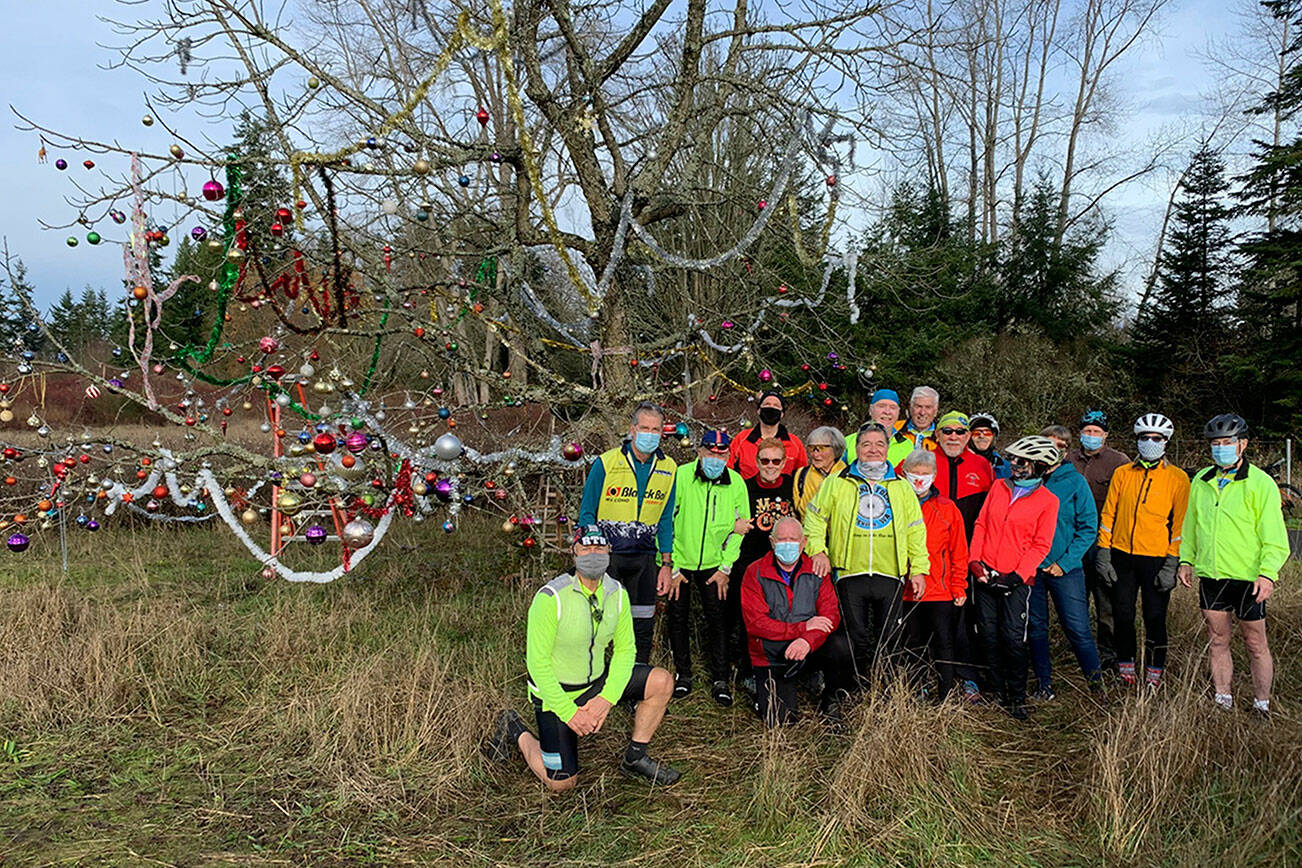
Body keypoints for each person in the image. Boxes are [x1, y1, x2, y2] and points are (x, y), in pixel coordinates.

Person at [486, 526, 681, 789]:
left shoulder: (617, 594)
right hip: (556, 693)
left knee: (662, 681)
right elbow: (537, 664)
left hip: (596, 683)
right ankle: (515, 729)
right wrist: (570, 713)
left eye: (599, 548)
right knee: (562, 785)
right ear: (574, 553)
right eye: (586, 549)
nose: (593, 554)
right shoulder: (550, 597)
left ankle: (635, 758)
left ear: (609, 552)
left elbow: (625, 651)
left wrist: (606, 699)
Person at [1178, 414, 1289, 716]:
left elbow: (1275, 535)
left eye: (1227, 442)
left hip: (1248, 578)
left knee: (1255, 642)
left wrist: (1268, 573)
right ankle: (1222, 698)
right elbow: (1191, 525)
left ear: (1243, 444)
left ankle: (1262, 703)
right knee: (1217, 639)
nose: (1221, 448)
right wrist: (1186, 558)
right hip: (1212, 575)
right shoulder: (1201, 480)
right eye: (1215, 443)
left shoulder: (1261, 483)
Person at [803, 422, 929, 684]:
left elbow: (916, 530)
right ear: (856, 449)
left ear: (887, 449)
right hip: (849, 572)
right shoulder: (838, 482)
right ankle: (854, 686)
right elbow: (814, 518)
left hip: (890, 572)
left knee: (889, 637)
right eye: (866, 444)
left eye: (879, 444)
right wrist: (818, 551)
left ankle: (885, 691)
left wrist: (918, 569)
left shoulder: (902, 487)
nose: (873, 449)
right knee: (855, 636)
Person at [968, 436, 1061, 720]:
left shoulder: (1048, 500)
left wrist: (1018, 576)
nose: (1015, 465)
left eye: (1022, 461)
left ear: (1040, 466)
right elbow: (982, 523)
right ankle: (996, 690)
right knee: (988, 633)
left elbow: (1041, 545)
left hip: (1017, 580)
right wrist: (974, 560)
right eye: (1013, 460)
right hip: (986, 572)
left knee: (1012, 636)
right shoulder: (999, 486)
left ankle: (1017, 696)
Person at [1096, 414, 1190, 690]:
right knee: (1122, 614)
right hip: (1122, 555)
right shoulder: (1123, 473)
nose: (1150, 442)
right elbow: (1108, 513)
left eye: (1156, 439)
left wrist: (1172, 562)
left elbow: (1180, 525)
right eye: (1144, 438)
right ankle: (1126, 665)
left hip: (1157, 558)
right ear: (1137, 440)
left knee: (1155, 617)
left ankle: (1154, 670)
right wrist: (1103, 551)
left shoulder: (1177, 478)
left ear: (1166, 443)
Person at [578, 402, 677, 663]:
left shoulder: (670, 468)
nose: (650, 434)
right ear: (632, 429)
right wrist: (592, 555)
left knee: (641, 628)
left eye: (655, 429)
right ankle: (593, 683)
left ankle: (637, 685)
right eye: (644, 427)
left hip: (645, 560)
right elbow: (587, 513)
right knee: (599, 625)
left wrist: (666, 564)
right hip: (608, 559)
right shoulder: (607, 462)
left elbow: (666, 520)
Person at [741, 516, 854, 725]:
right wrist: (801, 628)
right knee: (781, 722)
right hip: (771, 654)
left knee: (842, 645)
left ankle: (829, 698)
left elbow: (831, 615)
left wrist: (807, 640)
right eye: (781, 539)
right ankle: (761, 685)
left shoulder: (817, 570)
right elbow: (756, 623)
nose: (787, 544)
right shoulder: (754, 572)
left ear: (803, 543)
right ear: (772, 542)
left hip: (809, 647)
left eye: (793, 539)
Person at [667, 430, 751, 703]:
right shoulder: (681, 476)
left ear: (728, 455)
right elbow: (667, 520)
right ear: (700, 452)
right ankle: (683, 675)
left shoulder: (736, 483)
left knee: (718, 621)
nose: (715, 458)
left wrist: (726, 568)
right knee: (677, 617)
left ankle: (720, 678)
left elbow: (742, 528)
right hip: (681, 562)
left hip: (715, 565)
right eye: (710, 453)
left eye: (721, 454)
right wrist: (673, 566)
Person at [1028, 426, 1103, 699]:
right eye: (1047, 444)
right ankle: (1043, 686)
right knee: (1036, 628)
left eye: (1060, 445)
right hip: (1032, 569)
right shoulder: (1027, 479)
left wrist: (1066, 562)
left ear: (1065, 450)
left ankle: (1096, 686)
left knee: (1078, 627)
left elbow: (1088, 527)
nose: (1052, 449)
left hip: (1065, 569)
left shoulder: (1074, 482)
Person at [899, 450, 969, 701]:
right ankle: (918, 689)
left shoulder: (947, 508)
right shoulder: (897, 504)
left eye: (925, 474)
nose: (919, 479)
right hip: (905, 591)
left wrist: (959, 586)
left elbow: (959, 551)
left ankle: (945, 693)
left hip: (939, 590)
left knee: (943, 644)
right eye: (914, 474)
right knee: (912, 644)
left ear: (935, 476)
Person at [730, 438, 797, 700]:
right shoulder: (744, 488)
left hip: (785, 561)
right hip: (749, 562)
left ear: (784, 462)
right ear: (756, 462)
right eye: (765, 460)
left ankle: (791, 667)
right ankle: (747, 670)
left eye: (776, 461)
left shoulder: (793, 486)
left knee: (786, 615)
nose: (770, 466)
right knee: (748, 619)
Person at [1067, 409, 1130, 674]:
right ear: (1080, 433)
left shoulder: (1119, 462)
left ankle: (1109, 655)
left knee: (1106, 602)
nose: (1091, 436)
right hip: (1073, 540)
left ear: (1105, 435)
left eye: (1096, 432)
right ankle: (1078, 652)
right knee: (1075, 600)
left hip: (1104, 542)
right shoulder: (1068, 460)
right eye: (1087, 431)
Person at [930, 410, 995, 538]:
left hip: (967, 542)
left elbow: (990, 512)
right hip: (930, 544)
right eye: (947, 431)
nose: (953, 437)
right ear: (937, 434)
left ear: (968, 436)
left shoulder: (982, 465)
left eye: (960, 432)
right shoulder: (922, 460)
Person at [728, 390, 808, 478]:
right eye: (767, 404)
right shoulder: (742, 438)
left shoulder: (795, 443)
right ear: (759, 410)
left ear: (782, 414)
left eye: (776, 406)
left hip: (784, 491)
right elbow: (728, 469)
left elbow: (803, 476)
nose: (771, 408)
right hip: (747, 490)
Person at [845, 389, 914, 465]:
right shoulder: (848, 442)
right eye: (881, 406)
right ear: (870, 410)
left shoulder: (907, 445)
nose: (887, 412)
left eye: (893, 407)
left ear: (898, 412)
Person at [794, 426, 848, 518]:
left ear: (836, 449)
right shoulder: (802, 474)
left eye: (821, 448)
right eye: (812, 448)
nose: (815, 454)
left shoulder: (848, 475)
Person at [894, 386, 941, 452]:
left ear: (936, 411)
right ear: (910, 408)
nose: (922, 412)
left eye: (928, 407)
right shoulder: (894, 429)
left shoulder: (944, 436)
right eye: (918, 406)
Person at [969, 412, 1011, 480]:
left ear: (994, 437)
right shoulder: (959, 464)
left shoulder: (1005, 467)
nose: (982, 436)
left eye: (987, 433)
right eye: (976, 433)